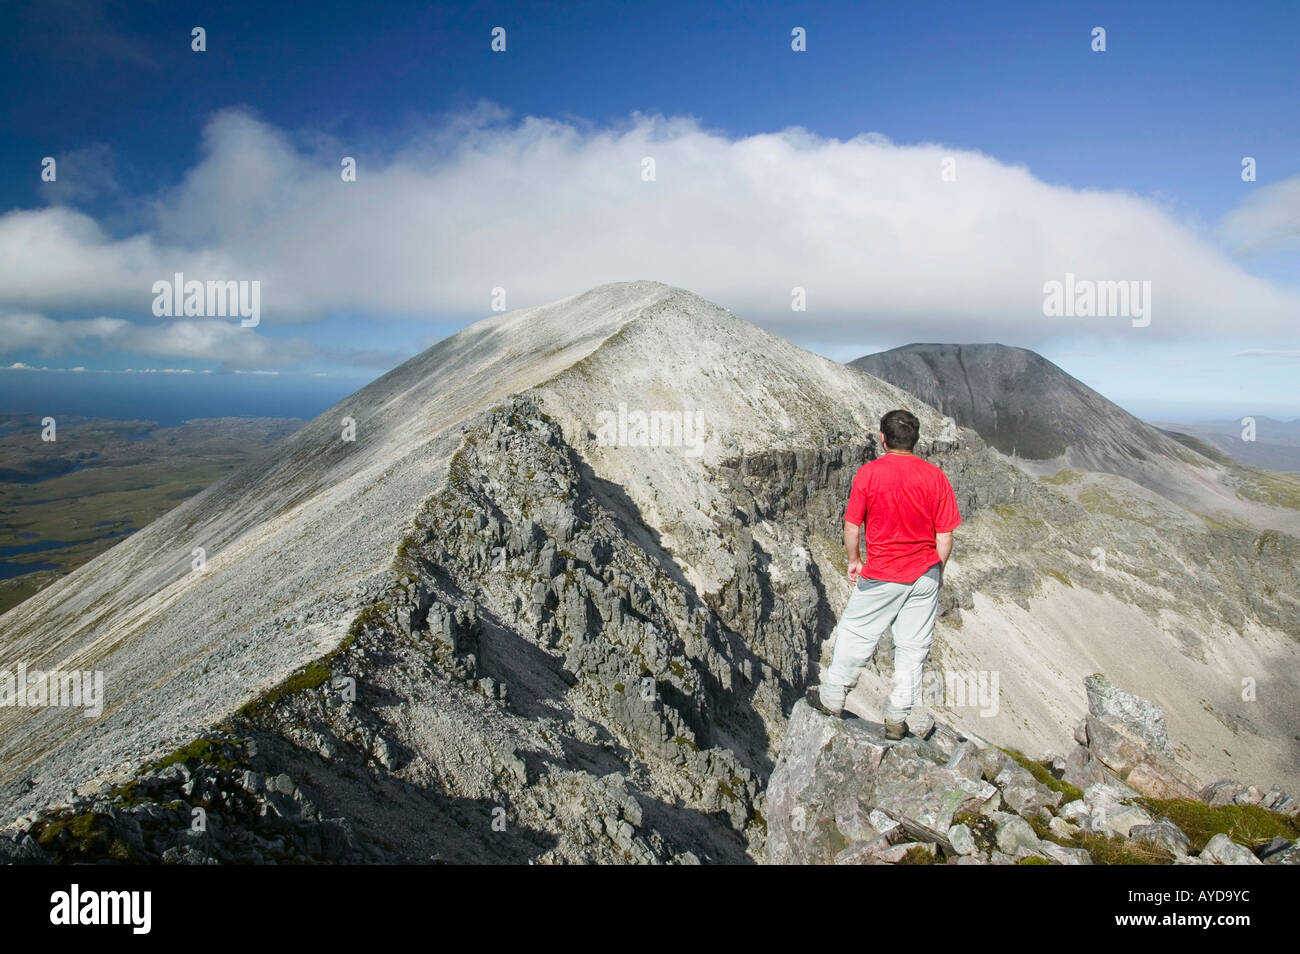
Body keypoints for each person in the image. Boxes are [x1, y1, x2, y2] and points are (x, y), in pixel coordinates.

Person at [808, 409, 962, 740]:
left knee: (856, 633)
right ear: (916, 440)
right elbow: (945, 536)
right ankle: (896, 718)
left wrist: (854, 559)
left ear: (882, 438)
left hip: (882, 573)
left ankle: (833, 698)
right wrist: (938, 571)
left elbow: (852, 526)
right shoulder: (936, 478)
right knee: (913, 647)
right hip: (925, 573)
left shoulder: (868, 474)